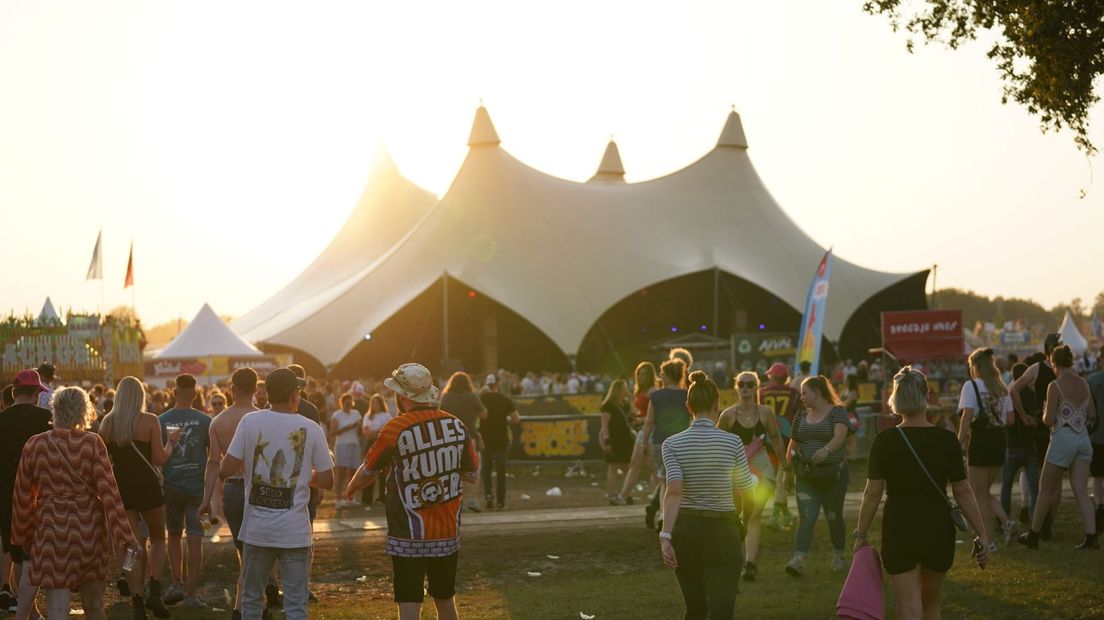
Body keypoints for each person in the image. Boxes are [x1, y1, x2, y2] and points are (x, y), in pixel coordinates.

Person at [345, 363, 479, 620]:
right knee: (445, 599)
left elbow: (369, 470)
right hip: (447, 530)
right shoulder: (457, 425)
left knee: (409, 601)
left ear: (402, 396)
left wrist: (352, 486)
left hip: (407, 534)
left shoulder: (395, 428)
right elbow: (472, 474)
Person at [854, 366, 990, 620]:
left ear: (895, 398)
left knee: (909, 609)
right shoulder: (946, 439)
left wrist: (861, 534)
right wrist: (981, 532)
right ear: (927, 395)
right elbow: (963, 490)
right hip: (937, 526)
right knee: (931, 607)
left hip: (900, 526)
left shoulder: (884, 441)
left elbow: (872, 493)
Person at [12, 386, 139, 620]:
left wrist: (23, 536)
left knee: (58, 609)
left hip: (51, 529)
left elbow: (22, 496)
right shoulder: (92, 443)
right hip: (88, 530)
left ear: (55, 410)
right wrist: (125, 535)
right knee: (94, 605)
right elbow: (110, 492)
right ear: (84, 411)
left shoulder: (35, 444)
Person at [219, 368, 334, 620]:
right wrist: (305, 476)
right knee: (296, 605)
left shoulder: (250, 422)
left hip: (258, 530)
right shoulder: (311, 427)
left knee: (251, 601)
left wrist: (246, 464)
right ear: (295, 395)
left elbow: (225, 468)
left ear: (266, 394)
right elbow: (327, 480)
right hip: (294, 531)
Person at [658, 370, 756, 619]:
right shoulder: (732, 442)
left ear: (688, 406)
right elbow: (747, 488)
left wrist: (665, 535)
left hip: (686, 531)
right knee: (722, 611)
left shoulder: (672, 444)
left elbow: (674, 492)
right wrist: (743, 518)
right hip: (723, 530)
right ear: (717, 404)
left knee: (695, 609)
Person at [99, 376, 179, 619]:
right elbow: (160, 459)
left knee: (131, 545)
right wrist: (172, 443)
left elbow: (104, 461)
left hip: (122, 487)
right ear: (140, 396)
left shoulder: (108, 423)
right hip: (147, 485)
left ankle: (137, 601)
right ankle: (155, 587)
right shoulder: (150, 421)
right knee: (157, 538)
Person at [1018, 345, 1099, 549]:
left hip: (1062, 439)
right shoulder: (1084, 383)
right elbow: (1092, 415)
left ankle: (1033, 535)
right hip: (1083, 440)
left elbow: (1048, 419)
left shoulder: (1055, 385)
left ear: (1054, 363)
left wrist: (1046, 411)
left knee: (1045, 489)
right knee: (1081, 490)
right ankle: (1092, 537)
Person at [198, 368, 262, 620]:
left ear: (232, 389)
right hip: (259, 489)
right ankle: (245, 605)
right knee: (256, 551)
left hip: (233, 489)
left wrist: (207, 500)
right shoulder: (262, 418)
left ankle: (245, 605)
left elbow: (213, 463)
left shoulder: (218, 422)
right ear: (256, 389)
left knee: (244, 550)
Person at [718, 371, 785, 581]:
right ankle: (737, 561)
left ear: (756, 387)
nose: (745, 388)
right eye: (741, 384)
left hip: (762, 466)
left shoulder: (766, 413)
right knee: (736, 516)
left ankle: (750, 563)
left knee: (754, 514)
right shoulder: (727, 415)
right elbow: (718, 444)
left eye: (750, 384)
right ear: (736, 387)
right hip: (737, 467)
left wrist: (787, 467)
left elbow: (776, 440)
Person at [785, 376, 851, 576]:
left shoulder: (837, 412)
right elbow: (793, 443)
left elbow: (840, 435)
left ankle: (839, 556)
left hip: (834, 474)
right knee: (806, 516)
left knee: (834, 516)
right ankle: (799, 559)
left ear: (818, 392)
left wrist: (826, 450)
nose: (802, 396)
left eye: (805, 392)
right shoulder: (801, 415)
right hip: (806, 476)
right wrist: (788, 468)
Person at [0, 370, 53, 617]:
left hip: (6, 492)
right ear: (35, 393)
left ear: (14, 392)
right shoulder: (45, 417)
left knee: (18, 553)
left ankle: (29, 611)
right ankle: (31, 612)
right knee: (34, 553)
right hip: (37, 491)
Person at [158, 374, 212, 608]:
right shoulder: (205, 420)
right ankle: (191, 594)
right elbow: (213, 458)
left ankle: (177, 584)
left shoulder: (161, 420)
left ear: (173, 393)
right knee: (195, 539)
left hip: (171, 485)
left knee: (173, 534)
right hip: (196, 487)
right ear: (195, 394)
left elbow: (157, 457)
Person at [957, 348, 1014, 549]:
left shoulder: (971, 386)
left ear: (976, 366)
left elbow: (967, 416)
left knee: (977, 493)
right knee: (984, 491)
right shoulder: (1001, 387)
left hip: (980, 441)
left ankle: (988, 540)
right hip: (999, 442)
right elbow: (1010, 420)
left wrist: (959, 442)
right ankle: (1006, 522)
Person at [1009, 333, 1061, 537]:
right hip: (1061, 428)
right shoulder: (1069, 372)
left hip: (1041, 426)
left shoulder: (1037, 368)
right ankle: (1048, 524)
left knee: (1042, 480)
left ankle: (1039, 523)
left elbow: (1013, 390)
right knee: (1055, 481)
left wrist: (1024, 416)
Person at [640, 358, 691, 531]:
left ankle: (663, 516)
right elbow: (692, 418)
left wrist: (644, 442)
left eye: (662, 374)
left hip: (660, 443)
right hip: (682, 442)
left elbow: (649, 422)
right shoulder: (687, 395)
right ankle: (676, 516)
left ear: (667, 376)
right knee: (681, 482)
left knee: (664, 481)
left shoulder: (656, 396)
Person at [760, 362, 801, 531]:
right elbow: (799, 413)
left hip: (768, 435)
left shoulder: (761, 392)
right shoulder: (793, 392)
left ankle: (782, 510)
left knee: (778, 473)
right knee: (784, 472)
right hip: (787, 434)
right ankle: (777, 512)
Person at [1000, 362, 1041, 533]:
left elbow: (1004, 421)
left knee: (1006, 485)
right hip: (1030, 445)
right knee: (1034, 487)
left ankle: (1004, 519)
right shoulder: (1032, 395)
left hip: (1012, 445)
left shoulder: (1007, 395)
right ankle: (1034, 520)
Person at [611, 362, 658, 506]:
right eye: (639, 373)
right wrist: (636, 416)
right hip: (642, 430)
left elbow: (656, 414)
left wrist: (641, 418)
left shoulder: (653, 391)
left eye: (644, 373)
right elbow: (643, 412)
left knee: (651, 466)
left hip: (651, 430)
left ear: (650, 375)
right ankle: (624, 495)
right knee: (637, 464)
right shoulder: (640, 391)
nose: (641, 376)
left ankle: (656, 496)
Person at [439, 372, 487, 513]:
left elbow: (440, 415)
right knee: (474, 468)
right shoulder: (471, 396)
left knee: (453, 470)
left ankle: (457, 501)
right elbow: (484, 414)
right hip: (469, 436)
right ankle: (471, 498)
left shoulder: (446, 397)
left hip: (450, 438)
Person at [479, 374, 520, 510]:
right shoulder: (505, 400)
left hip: (486, 439)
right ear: (498, 384)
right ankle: (501, 501)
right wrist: (505, 419)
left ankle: (489, 496)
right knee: (501, 471)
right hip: (501, 439)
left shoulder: (482, 399)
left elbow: (478, 416)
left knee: (486, 469)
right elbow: (516, 419)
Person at [598, 380, 634, 505]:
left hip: (624, 439)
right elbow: (605, 425)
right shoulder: (608, 405)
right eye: (624, 388)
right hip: (614, 439)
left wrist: (630, 400)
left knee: (626, 467)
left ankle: (627, 494)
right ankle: (612, 494)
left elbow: (632, 415)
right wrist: (607, 441)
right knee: (613, 467)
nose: (626, 390)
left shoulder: (624, 404)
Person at [329, 393, 363, 509]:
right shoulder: (337, 415)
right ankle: (338, 499)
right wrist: (347, 428)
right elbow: (332, 432)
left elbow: (360, 432)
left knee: (353, 474)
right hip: (342, 445)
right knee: (341, 474)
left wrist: (359, 427)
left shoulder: (356, 414)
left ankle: (350, 498)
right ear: (342, 403)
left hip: (354, 444)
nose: (349, 405)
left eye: (350, 402)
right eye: (346, 403)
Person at [360, 394, 392, 505]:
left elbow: (384, 431)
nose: (375, 405)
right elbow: (365, 431)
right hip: (370, 443)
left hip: (382, 443)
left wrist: (374, 432)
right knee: (368, 470)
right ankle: (366, 498)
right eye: (373, 403)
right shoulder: (368, 416)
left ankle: (382, 497)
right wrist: (376, 432)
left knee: (382, 471)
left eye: (377, 403)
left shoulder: (386, 416)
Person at [1087, 346, 1104, 532]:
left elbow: (1088, 411)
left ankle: (1100, 506)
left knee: (1098, 476)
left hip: (1097, 434)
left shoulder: (1092, 380)